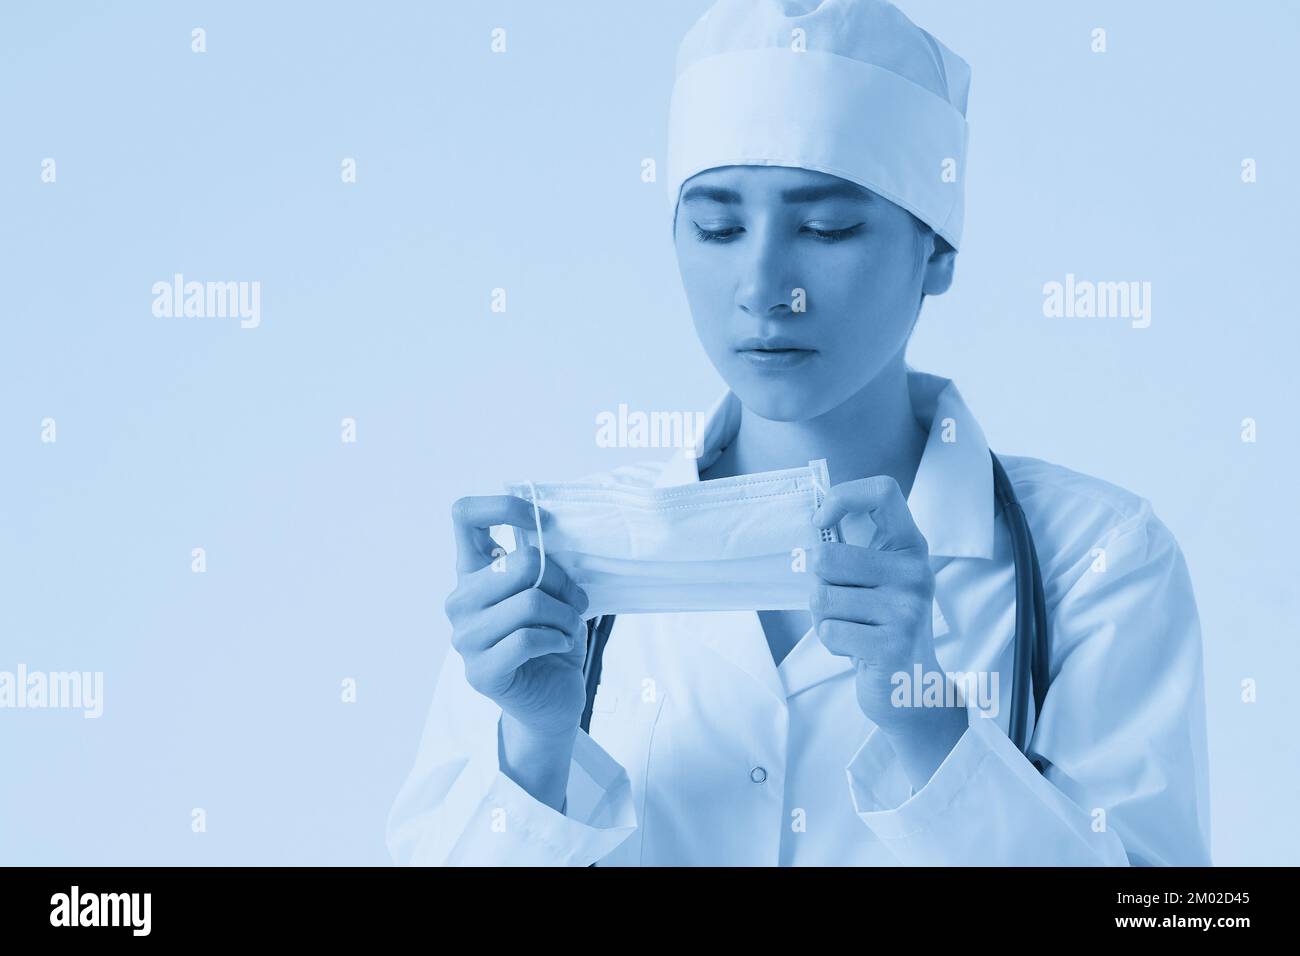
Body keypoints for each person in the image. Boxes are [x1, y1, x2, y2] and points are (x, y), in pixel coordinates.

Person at [386, 0, 1211, 866]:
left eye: (827, 227)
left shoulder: (1099, 562)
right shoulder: (561, 571)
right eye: (719, 227)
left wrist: (927, 722)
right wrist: (535, 751)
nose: (765, 285)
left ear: (938, 249)